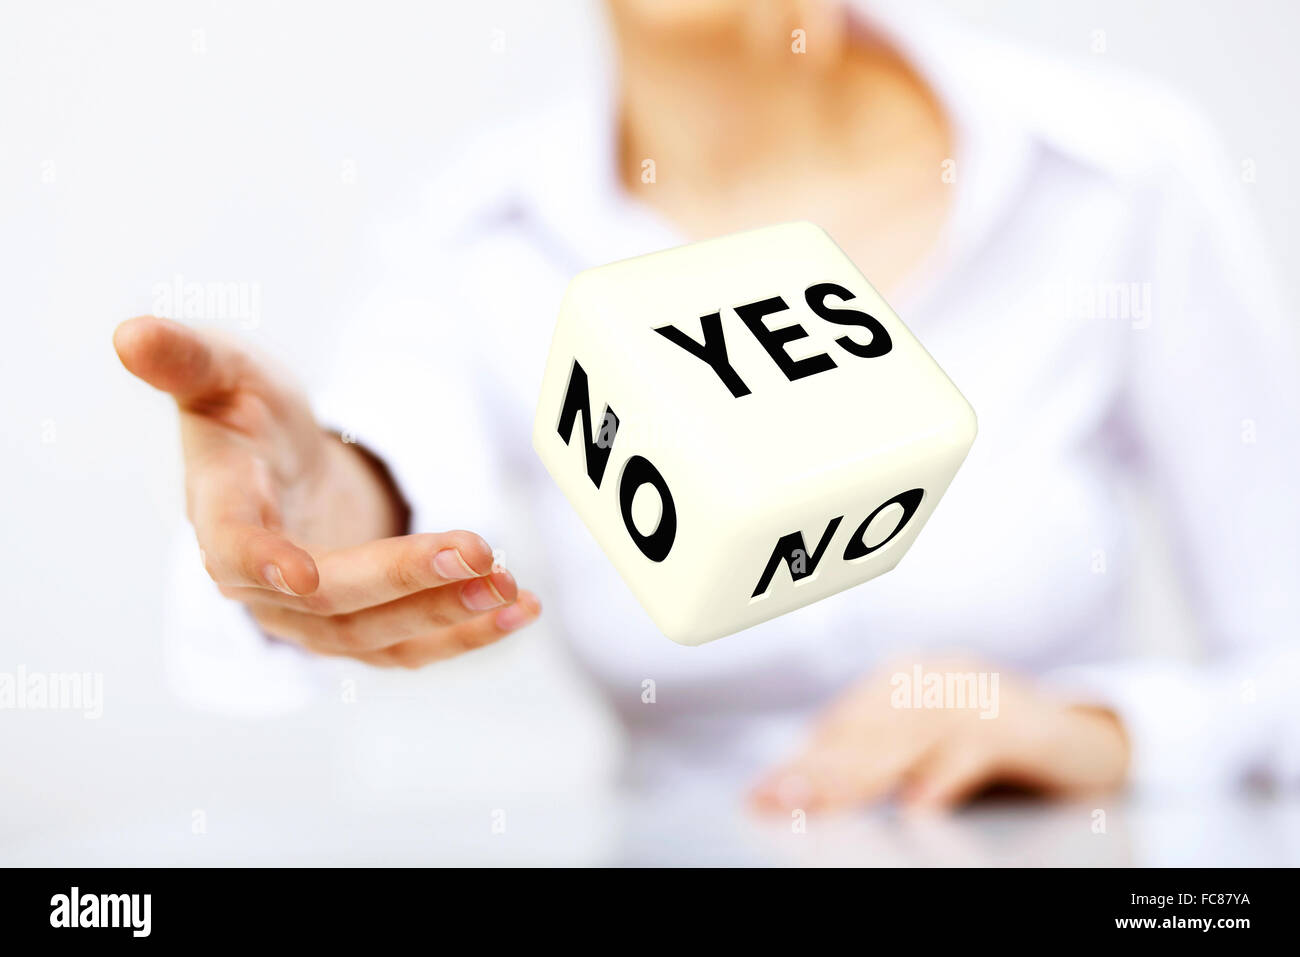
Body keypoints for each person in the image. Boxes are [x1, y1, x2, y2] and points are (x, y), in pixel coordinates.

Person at [113, 0, 1300, 812]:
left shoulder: (1116, 174)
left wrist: (1104, 732)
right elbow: (377, 482)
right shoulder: (475, 243)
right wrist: (322, 503)